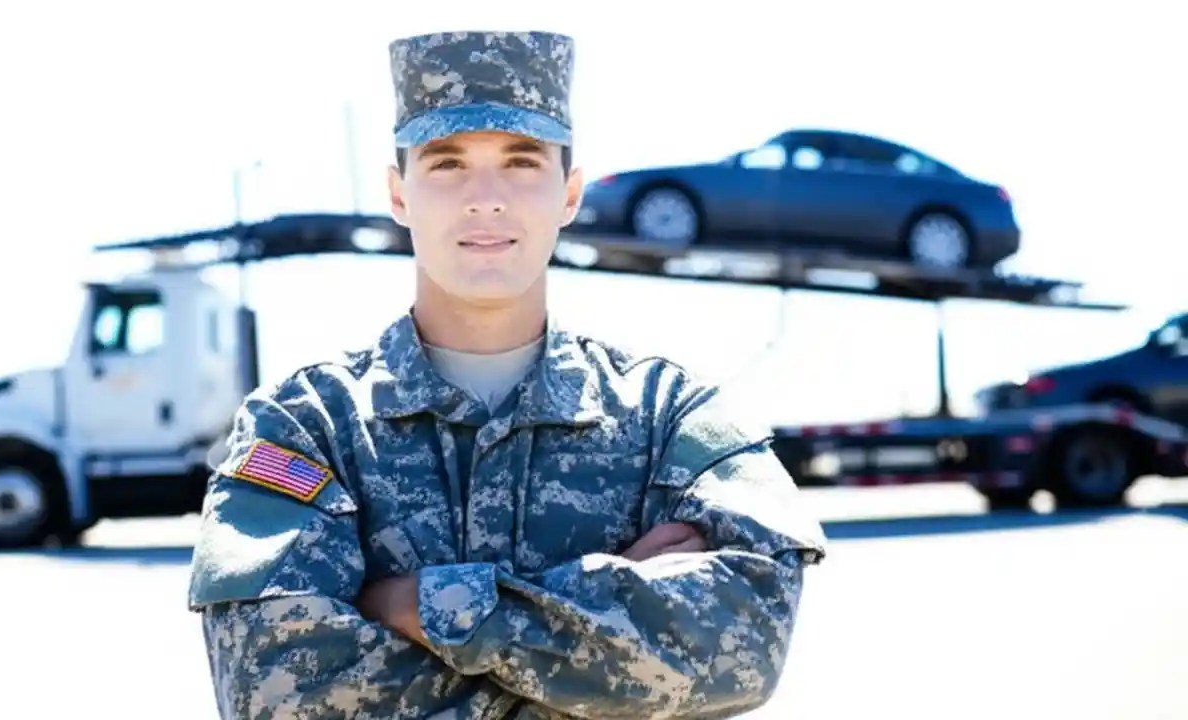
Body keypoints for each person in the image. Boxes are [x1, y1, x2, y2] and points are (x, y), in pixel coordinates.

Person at [187, 29, 828, 719]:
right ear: (400, 195)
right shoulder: (306, 424)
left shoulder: (669, 416)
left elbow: (746, 643)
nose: (485, 197)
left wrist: (412, 603)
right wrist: (604, 644)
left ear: (570, 194)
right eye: (447, 163)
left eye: (522, 162)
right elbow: (274, 691)